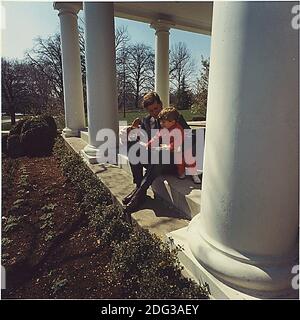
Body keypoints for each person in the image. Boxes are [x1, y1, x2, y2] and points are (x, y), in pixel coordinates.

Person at [121, 92, 191, 210]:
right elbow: (144, 141)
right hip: (154, 159)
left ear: (161, 104)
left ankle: (139, 194)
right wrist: (134, 133)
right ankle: (139, 186)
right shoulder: (147, 121)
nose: (154, 113)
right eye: (151, 111)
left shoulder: (175, 117)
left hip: (173, 161)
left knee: (161, 153)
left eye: (156, 108)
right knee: (133, 145)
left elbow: (189, 138)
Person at [146, 106, 201, 184]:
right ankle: (182, 173)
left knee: (189, 160)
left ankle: (194, 174)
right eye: (161, 121)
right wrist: (149, 144)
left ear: (172, 121)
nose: (161, 124)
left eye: (164, 122)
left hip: (183, 148)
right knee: (179, 161)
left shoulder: (178, 129)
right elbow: (156, 137)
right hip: (174, 150)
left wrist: (168, 147)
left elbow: (178, 141)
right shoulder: (164, 129)